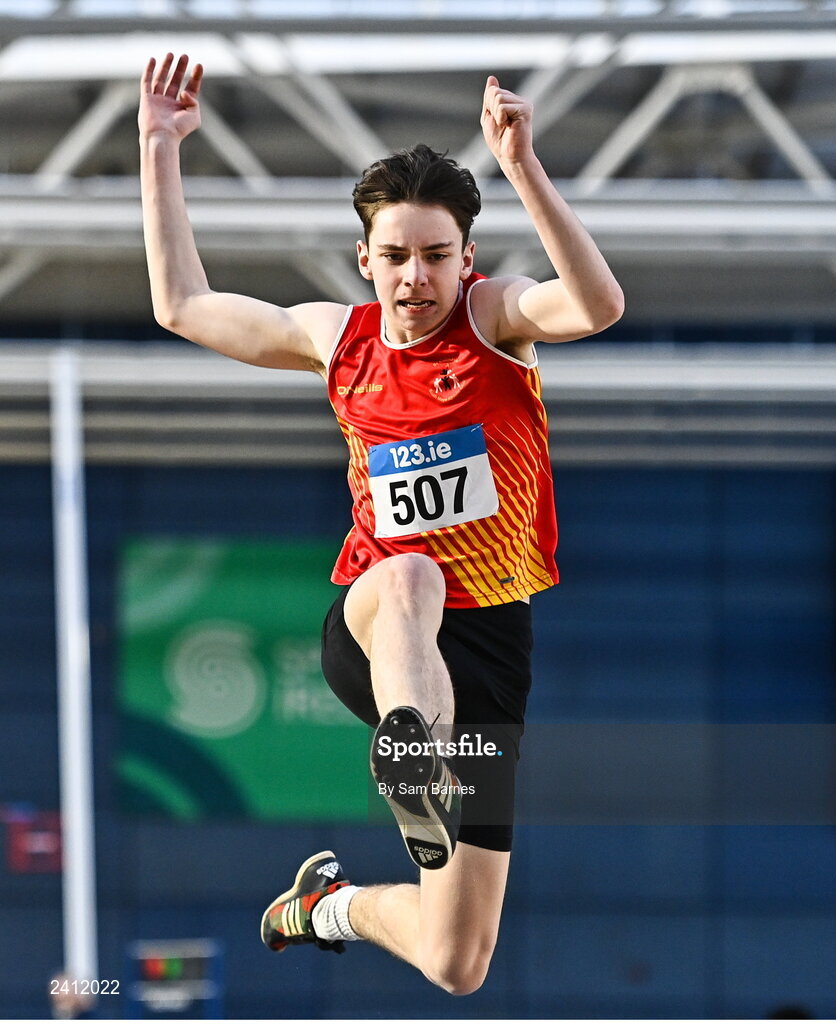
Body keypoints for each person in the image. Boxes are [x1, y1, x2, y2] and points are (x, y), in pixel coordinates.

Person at [139, 52, 624, 996]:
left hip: (489, 646)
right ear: (367, 261)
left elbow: (599, 305)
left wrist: (522, 167)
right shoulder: (338, 338)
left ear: (466, 260)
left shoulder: (494, 320)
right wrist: (161, 146)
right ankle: (415, 750)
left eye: (437, 256)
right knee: (412, 575)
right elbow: (183, 305)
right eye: (396, 257)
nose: (416, 279)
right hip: (377, 622)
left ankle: (323, 906)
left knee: (458, 961)